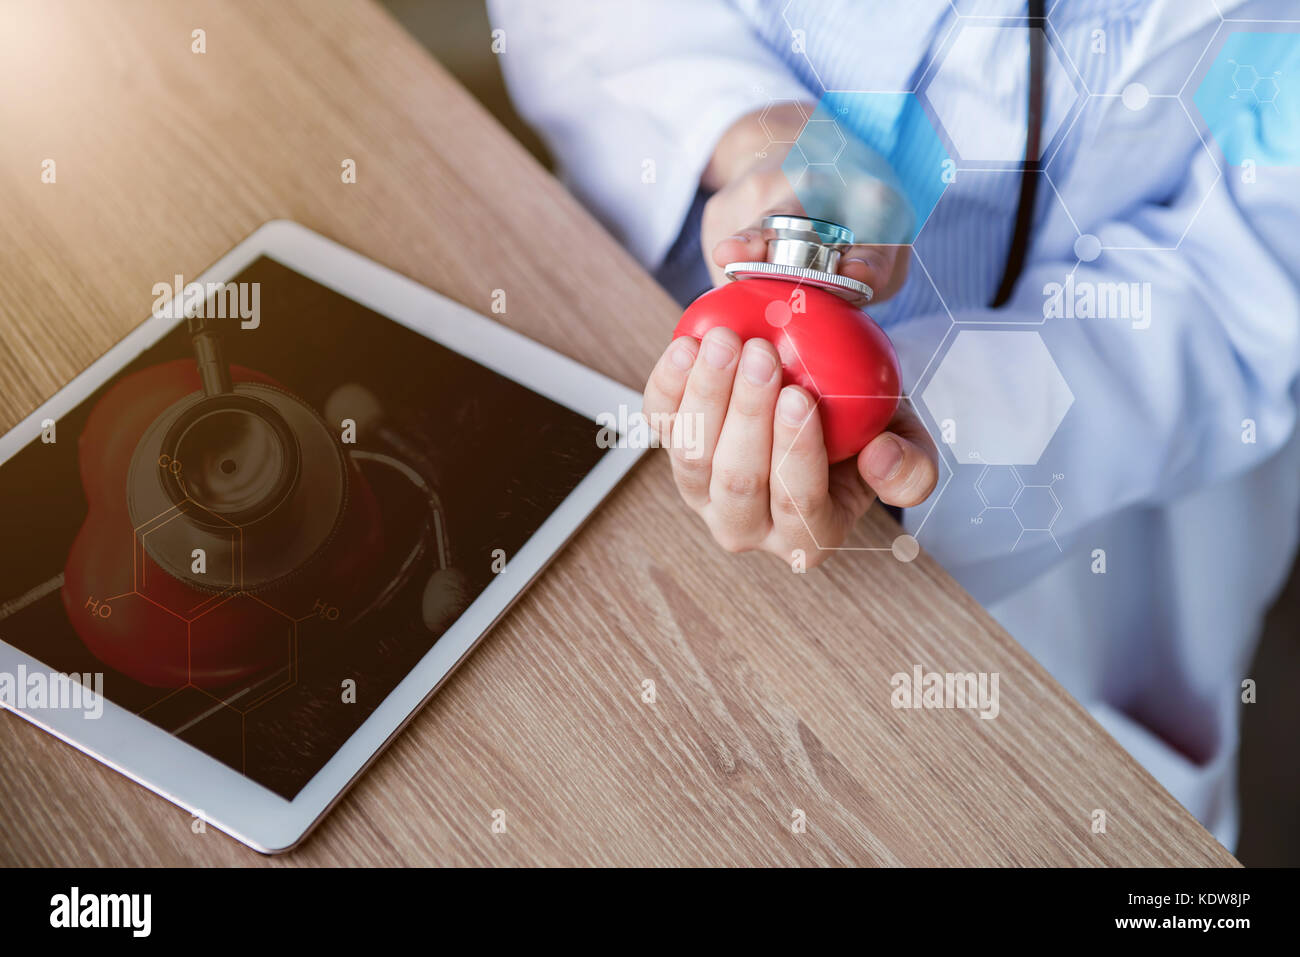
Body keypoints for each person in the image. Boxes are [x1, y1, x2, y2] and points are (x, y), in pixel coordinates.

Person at [487, 0, 1300, 850]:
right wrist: (751, 127)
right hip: (634, 354)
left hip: (1054, 536)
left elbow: (1247, 279)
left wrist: (926, 416)